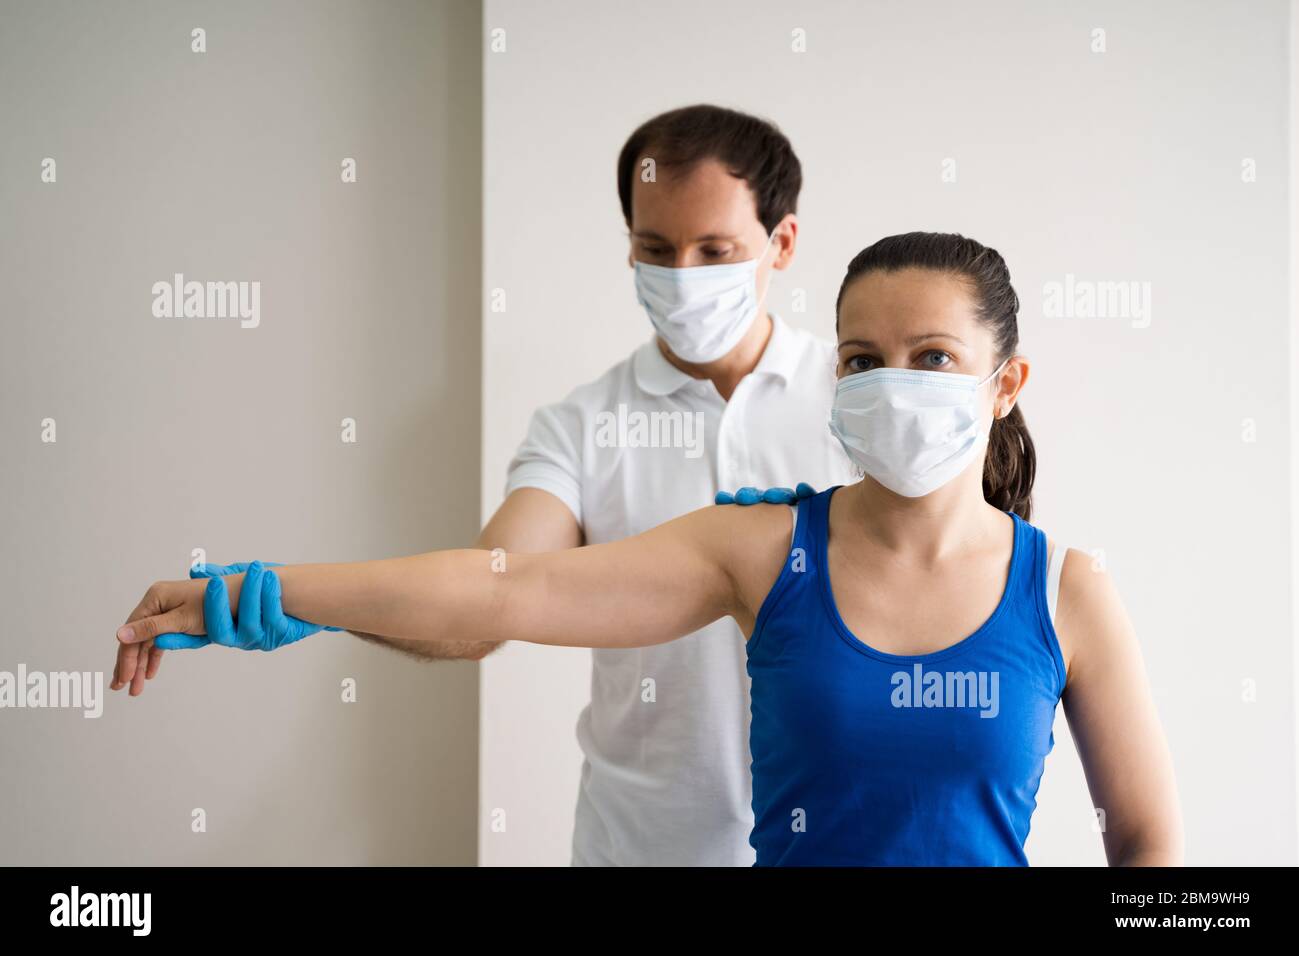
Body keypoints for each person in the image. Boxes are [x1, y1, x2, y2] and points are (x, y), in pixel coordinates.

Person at [113, 231, 1184, 866]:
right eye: (861, 358)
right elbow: (507, 586)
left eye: (932, 356)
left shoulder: (1067, 589)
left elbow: (1149, 845)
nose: (889, 382)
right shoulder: (760, 548)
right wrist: (275, 591)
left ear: (1005, 384)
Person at [114, 104, 858, 867]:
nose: (683, 276)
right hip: (636, 849)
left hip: (840, 842)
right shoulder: (580, 424)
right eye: (656, 248)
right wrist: (290, 594)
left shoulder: (860, 405)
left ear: (783, 243)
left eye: (715, 250)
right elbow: (488, 601)